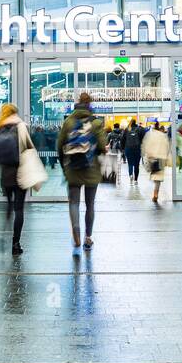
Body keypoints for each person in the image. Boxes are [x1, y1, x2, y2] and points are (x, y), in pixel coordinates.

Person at [57, 92, 107, 251]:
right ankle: (88, 238)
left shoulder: (69, 122)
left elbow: (59, 146)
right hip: (91, 168)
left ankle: (76, 233)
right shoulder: (96, 123)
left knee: (74, 203)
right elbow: (101, 145)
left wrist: (63, 166)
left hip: (73, 167)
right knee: (90, 204)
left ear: (78, 103)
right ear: (90, 104)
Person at [0, 103, 33, 256]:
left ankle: (2, 237)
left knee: (8, 206)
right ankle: (16, 243)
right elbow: (29, 150)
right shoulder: (22, 127)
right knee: (19, 209)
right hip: (21, 172)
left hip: (6, 173)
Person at [142, 120, 172, 205]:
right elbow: (167, 148)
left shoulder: (149, 135)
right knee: (158, 178)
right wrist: (168, 160)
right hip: (161, 158)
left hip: (152, 158)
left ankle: (155, 193)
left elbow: (145, 146)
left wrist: (147, 156)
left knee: (155, 176)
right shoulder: (163, 136)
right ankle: (155, 194)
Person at [123, 118, 143, 184]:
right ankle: (136, 180)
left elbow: (123, 139)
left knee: (130, 163)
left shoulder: (127, 129)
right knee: (137, 165)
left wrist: (123, 148)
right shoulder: (139, 129)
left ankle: (131, 175)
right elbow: (143, 139)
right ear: (136, 123)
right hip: (137, 149)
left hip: (128, 148)